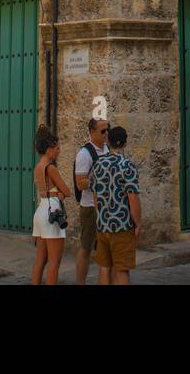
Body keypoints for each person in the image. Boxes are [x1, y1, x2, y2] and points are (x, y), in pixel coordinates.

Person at [88, 125, 141, 285]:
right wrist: (137, 222)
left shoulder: (98, 165)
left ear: (108, 142)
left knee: (104, 266)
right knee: (122, 268)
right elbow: (133, 197)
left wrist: (102, 216)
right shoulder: (127, 166)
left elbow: (95, 196)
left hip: (103, 224)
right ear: (125, 143)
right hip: (122, 225)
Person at [30, 125, 70, 285]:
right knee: (54, 262)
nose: (59, 151)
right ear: (49, 149)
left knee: (40, 260)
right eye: (57, 148)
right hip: (52, 212)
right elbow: (67, 191)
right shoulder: (51, 168)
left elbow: (46, 190)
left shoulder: (38, 167)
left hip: (41, 210)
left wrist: (56, 193)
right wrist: (60, 194)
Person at [73, 116, 110, 285]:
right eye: (103, 131)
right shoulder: (84, 154)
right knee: (86, 247)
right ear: (92, 132)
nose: (106, 133)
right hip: (89, 208)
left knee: (106, 249)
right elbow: (80, 183)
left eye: (107, 129)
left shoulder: (107, 149)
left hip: (106, 207)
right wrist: (102, 180)